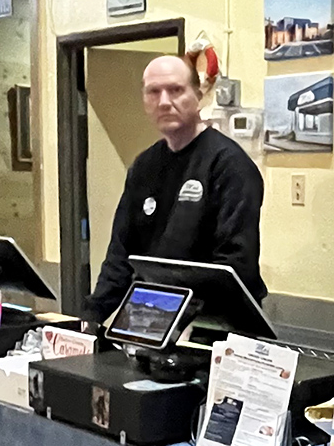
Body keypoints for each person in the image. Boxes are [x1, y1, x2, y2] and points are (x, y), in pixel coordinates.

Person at [84, 55, 267, 323]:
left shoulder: (229, 165)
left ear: (198, 95)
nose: (165, 102)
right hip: (155, 317)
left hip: (218, 324)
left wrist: (188, 319)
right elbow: (120, 256)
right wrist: (90, 317)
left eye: (176, 90)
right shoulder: (144, 166)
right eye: (154, 92)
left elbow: (235, 264)